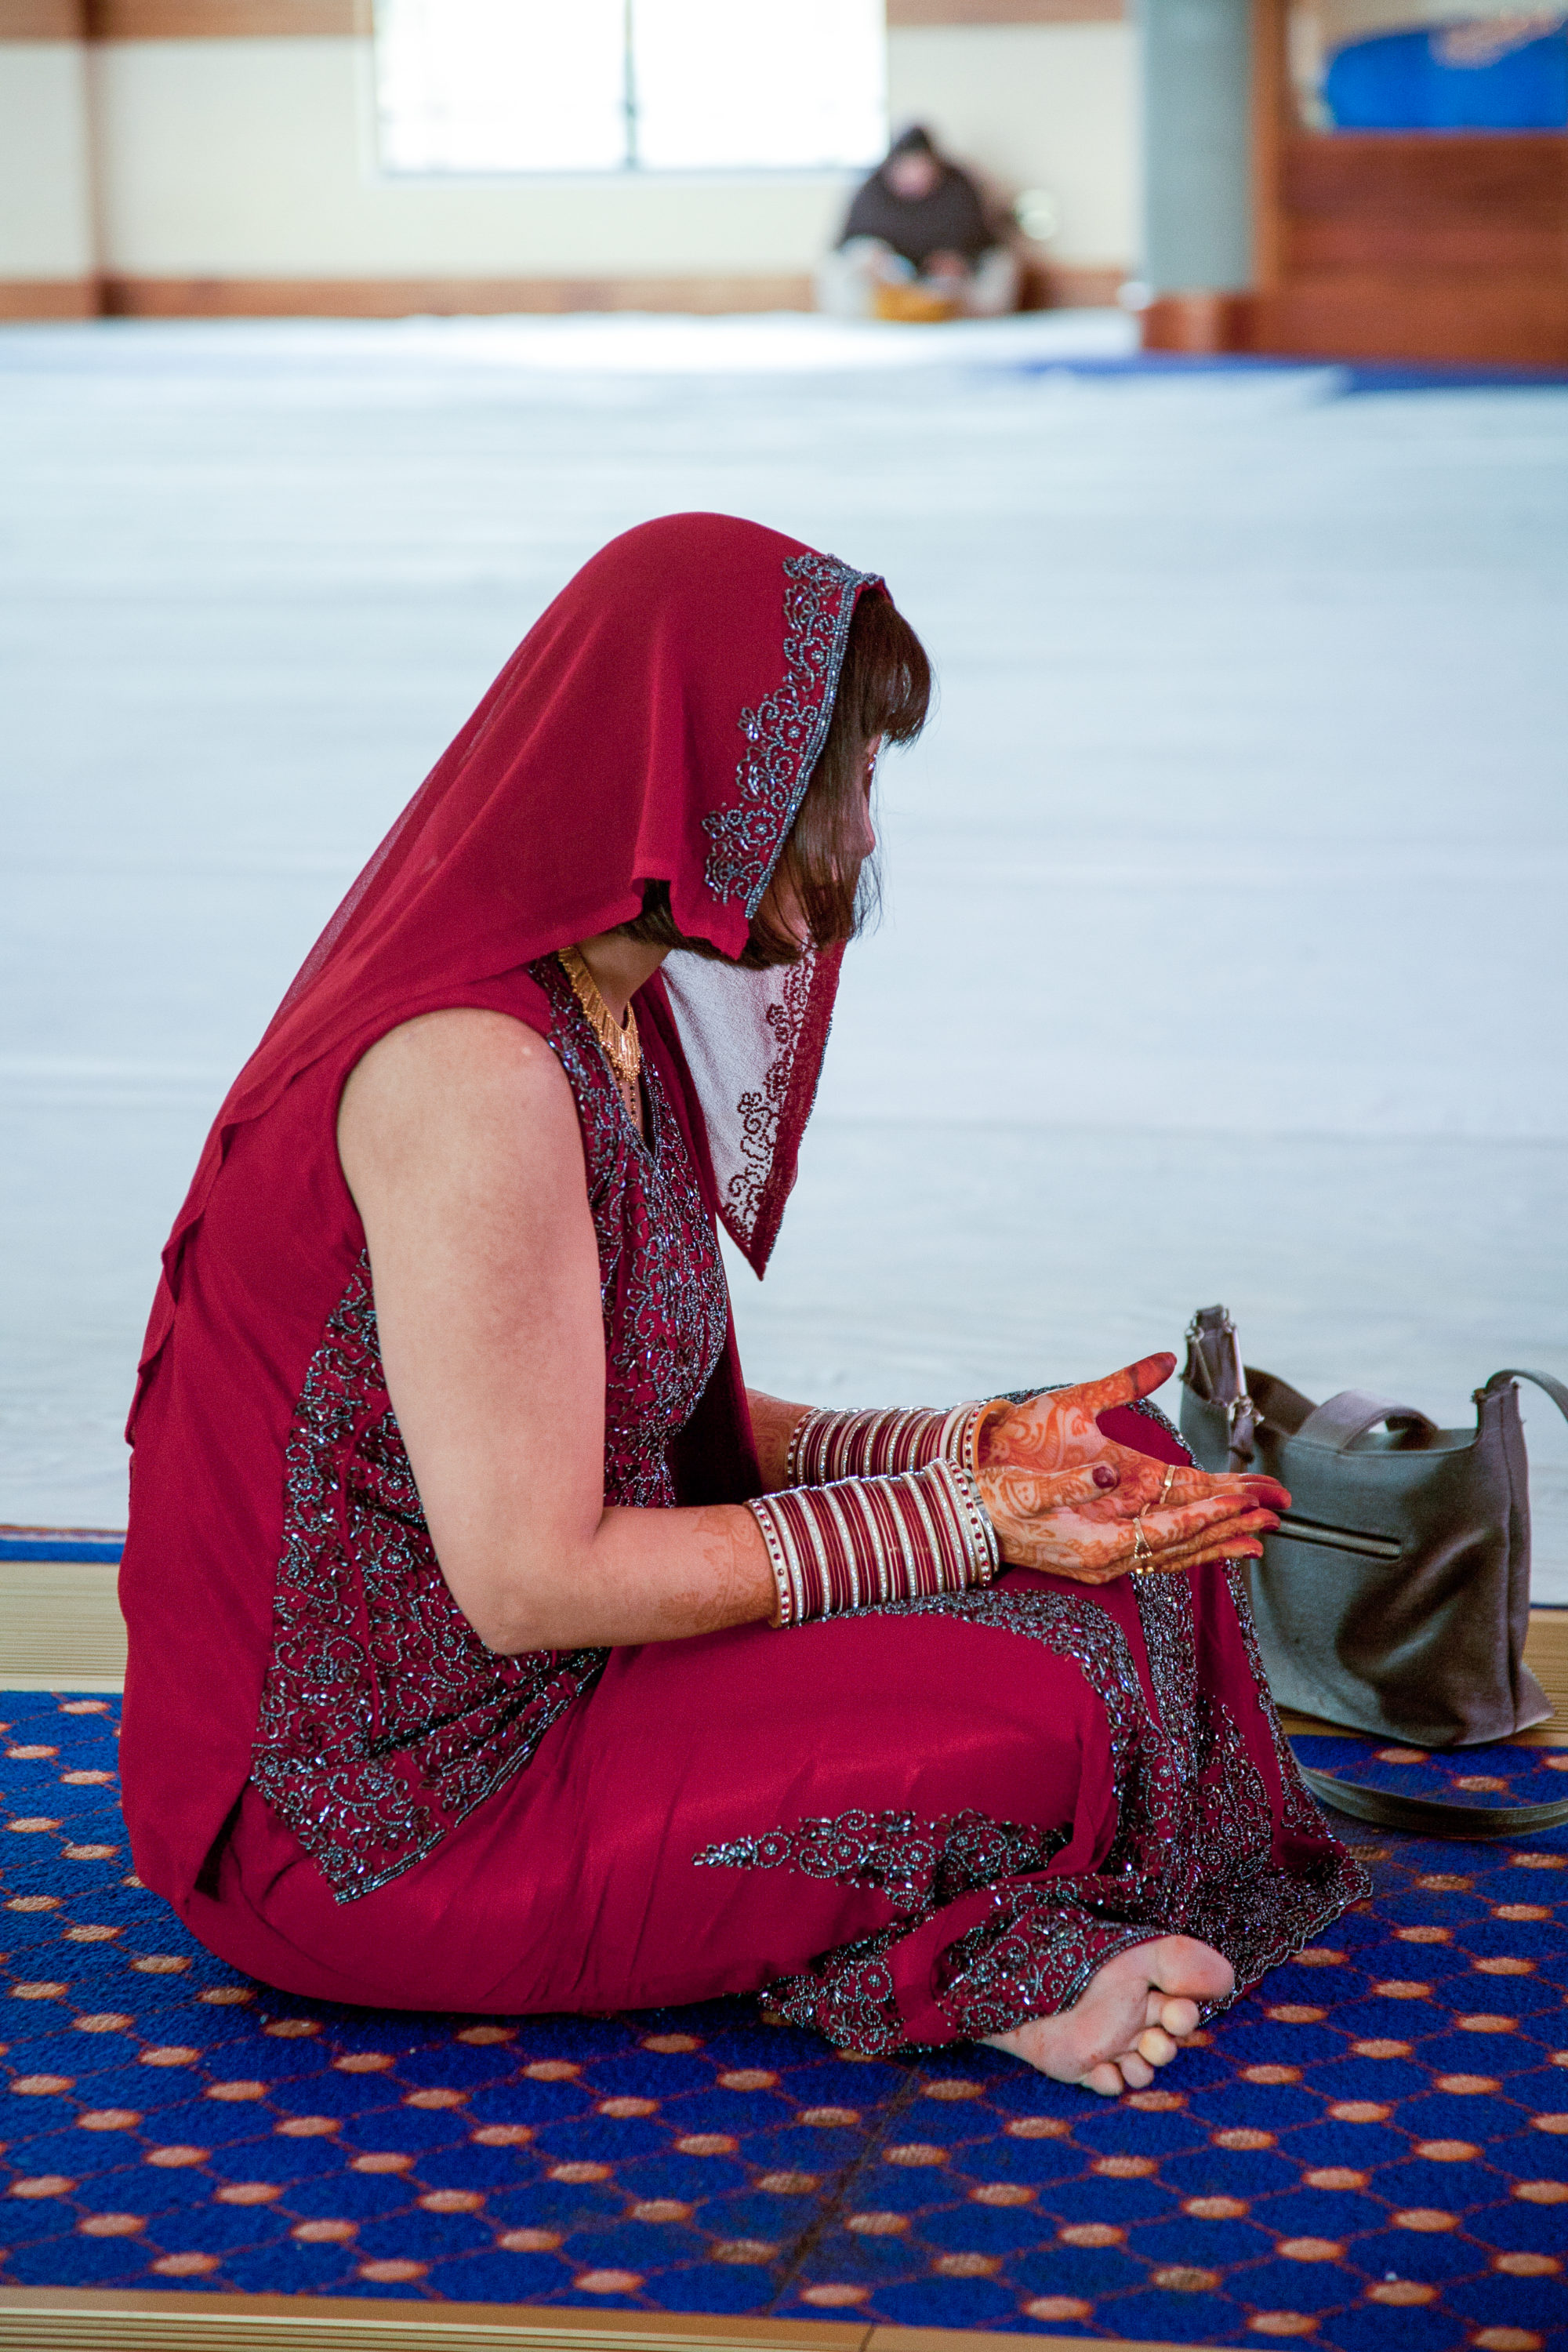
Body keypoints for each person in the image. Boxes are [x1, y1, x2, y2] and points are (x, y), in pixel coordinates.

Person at [119, 514, 1364, 2097]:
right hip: (397, 1824)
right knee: (1055, 1704)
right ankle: (965, 1951)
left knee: (1130, 1483)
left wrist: (976, 1447)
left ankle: (963, 1928)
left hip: (572, 1695)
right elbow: (535, 1580)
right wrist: (970, 1521)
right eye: (844, 780)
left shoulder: (602, 1011)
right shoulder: (472, 1075)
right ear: (706, 772)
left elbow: (652, 1425)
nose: (862, 834)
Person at [818, 124, 1020, 321]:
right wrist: (875, 260)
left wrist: (961, 259)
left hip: (945, 286)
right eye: (907, 167)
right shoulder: (872, 190)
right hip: (888, 284)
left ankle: (976, 325)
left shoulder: (959, 186)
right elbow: (846, 243)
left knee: (1001, 265)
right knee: (844, 264)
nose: (915, 175)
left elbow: (983, 240)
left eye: (921, 166)